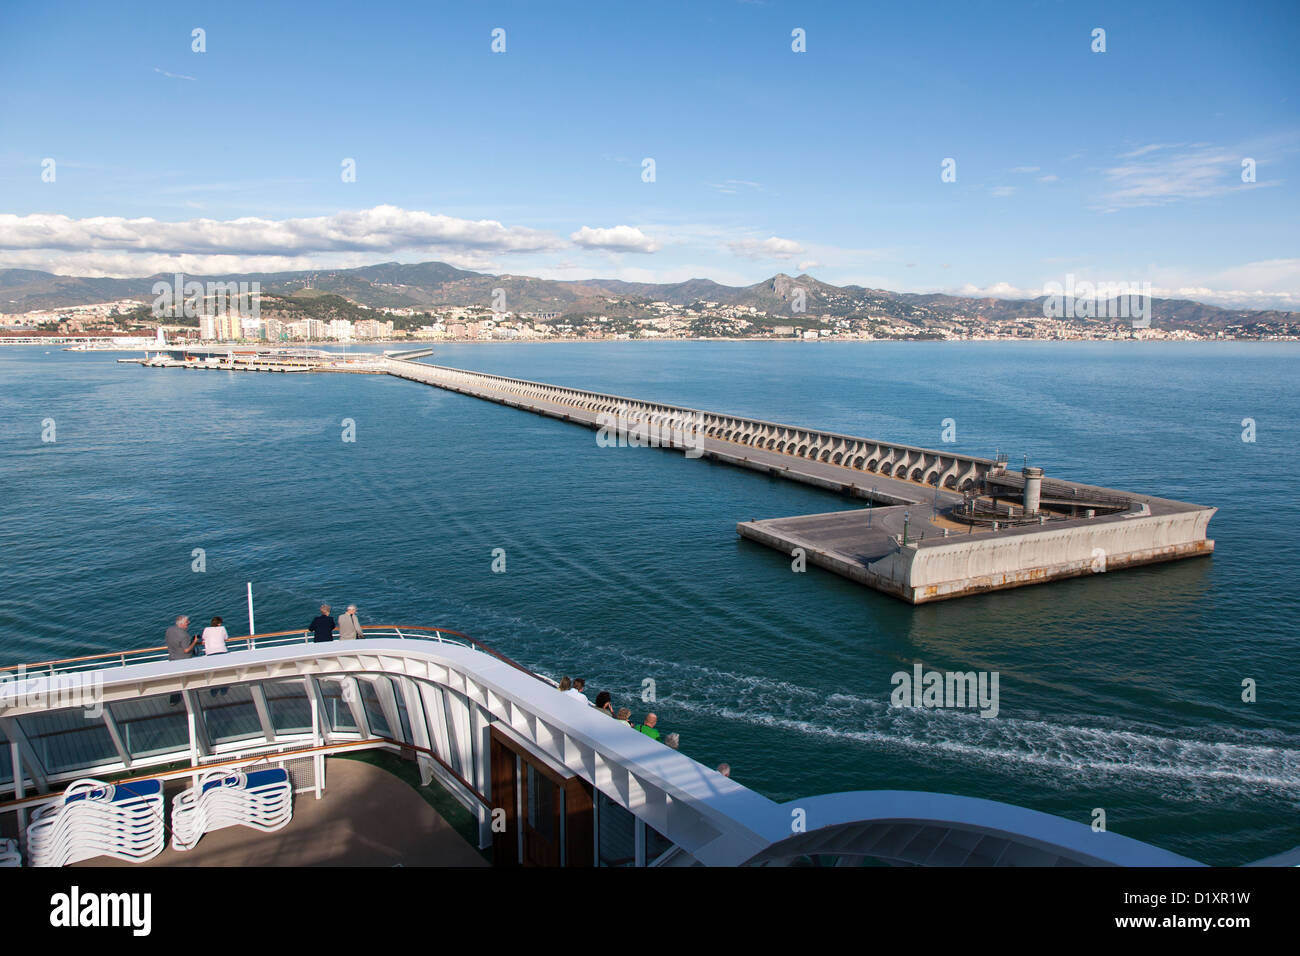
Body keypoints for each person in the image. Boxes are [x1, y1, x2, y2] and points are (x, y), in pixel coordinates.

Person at [164, 615, 196, 705]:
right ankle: (188, 697)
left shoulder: (169, 630)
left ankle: (173, 699)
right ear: (181, 624)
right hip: (184, 661)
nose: (188, 623)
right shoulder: (184, 635)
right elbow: (186, 650)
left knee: (176, 681)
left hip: (173, 658)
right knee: (185, 680)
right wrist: (194, 641)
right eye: (187, 622)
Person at [201, 616, 230, 697]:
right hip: (221, 651)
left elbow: (203, 638)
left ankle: (214, 691)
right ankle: (223, 689)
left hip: (210, 652)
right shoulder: (222, 629)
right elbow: (226, 638)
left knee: (213, 673)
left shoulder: (206, 629)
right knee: (223, 672)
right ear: (219, 623)